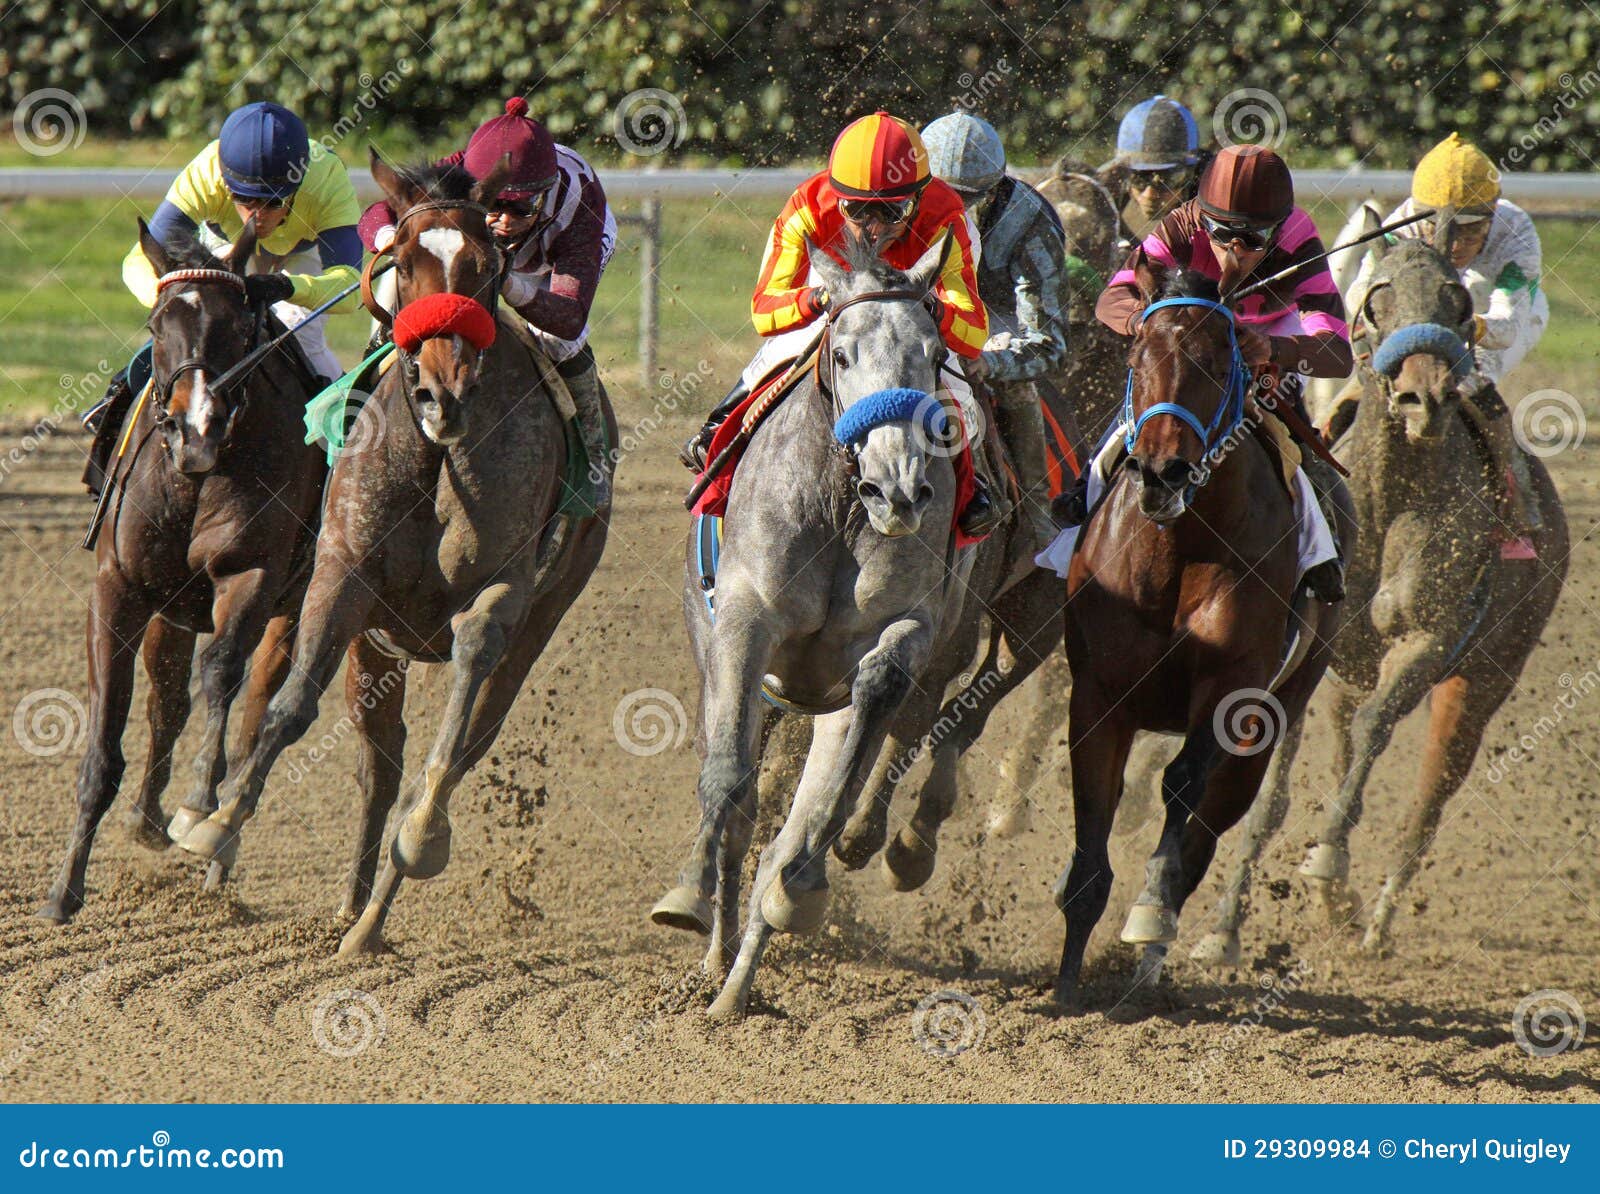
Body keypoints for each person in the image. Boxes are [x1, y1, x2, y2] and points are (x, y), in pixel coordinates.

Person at [679, 111, 996, 536]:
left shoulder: (949, 220)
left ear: (919, 197)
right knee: (785, 351)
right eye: (857, 211)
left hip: (916, 307)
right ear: (837, 196)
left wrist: (935, 311)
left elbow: (974, 333)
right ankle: (721, 429)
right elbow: (764, 309)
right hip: (837, 295)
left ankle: (971, 485)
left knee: (954, 382)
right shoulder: (807, 207)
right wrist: (820, 300)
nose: (873, 228)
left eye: (892, 211)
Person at [1091, 144, 1352, 602]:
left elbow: (1337, 353)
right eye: (1223, 232)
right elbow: (1112, 299)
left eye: (1252, 239)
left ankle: (1320, 546)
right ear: (1201, 215)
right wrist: (1148, 323)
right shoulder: (1180, 225)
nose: (1235, 248)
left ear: (1277, 230)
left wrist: (1275, 348)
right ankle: (1080, 508)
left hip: (1270, 334)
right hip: (1191, 334)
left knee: (1283, 425)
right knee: (1136, 417)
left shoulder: (1299, 238)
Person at [359, 97, 617, 509]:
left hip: (549, 256)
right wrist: (390, 237)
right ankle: (363, 395)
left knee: (557, 340)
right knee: (402, 279)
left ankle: (593, 452)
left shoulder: (580, 205)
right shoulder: (462, 168)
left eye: (522, 207)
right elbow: (378, 210)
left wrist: (509, 283)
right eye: (494, 204)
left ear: (545, 194)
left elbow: (568, 317)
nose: (505, 220)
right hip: (472, 244)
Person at [84, 101, 361, 472]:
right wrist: (178, 300)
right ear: (225, 182)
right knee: (192, 327)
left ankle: (337, 461)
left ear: (296, 187)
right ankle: (114, 425)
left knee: (300, 333)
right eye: (243, 199)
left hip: (301, 258)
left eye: (273, 202)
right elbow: (137, 260)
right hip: (224, 250)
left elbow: (351, 286)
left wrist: (286, 286)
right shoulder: (206, 170)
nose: (256, 216)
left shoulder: (326, 177)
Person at [1341, 132, 1548, 555]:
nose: (1453, 244)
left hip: (1497, 315)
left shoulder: (1517, 234)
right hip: (1423, 315)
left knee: (1472, 387)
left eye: (1470, 232)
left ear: (1492, 216)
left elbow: (1507, 325)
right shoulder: (1406, 223)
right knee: (1360, 389)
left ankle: (1514, 513)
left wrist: (1447, 332)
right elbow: (1358, 294)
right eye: (1438, 227)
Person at [923, 108, 1070, 547]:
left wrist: (990, 363)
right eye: (939, 193)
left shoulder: (1031, 226)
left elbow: (1048, 343)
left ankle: (1035, 512)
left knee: (1009, 365)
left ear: (996, 189)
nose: (953, 208)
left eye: (967, 197)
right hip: (925, 317)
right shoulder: (901, 204)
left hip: (993, 330)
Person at [1108, 95, 1211, 233]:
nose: (1150, 195)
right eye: (1139, 179)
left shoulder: (1218, 197)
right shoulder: (1104, 196)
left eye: (1166, 180)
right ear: (1123, 174)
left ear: (1192, 175)